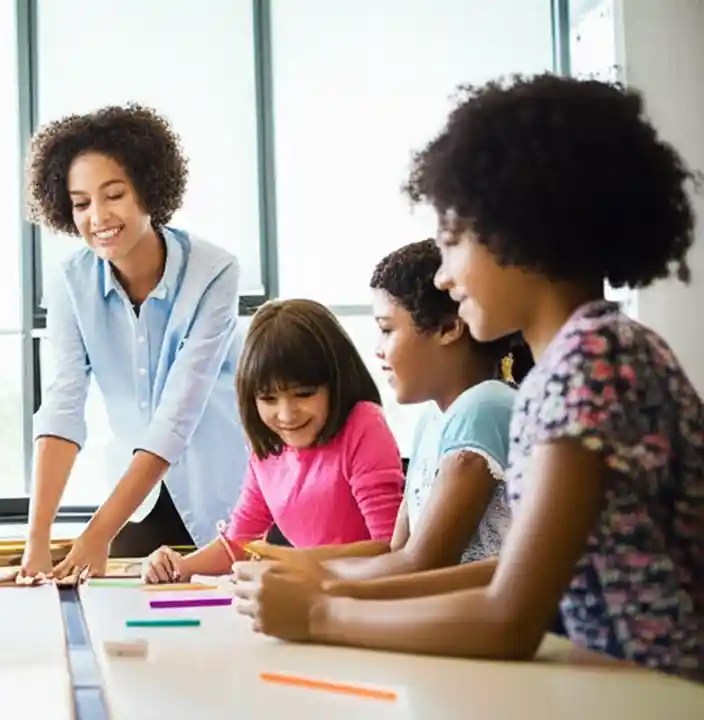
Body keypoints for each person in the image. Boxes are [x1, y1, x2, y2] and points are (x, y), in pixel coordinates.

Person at [235, 74, 703, 681]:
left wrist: (322, 611)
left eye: (452, 244)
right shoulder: (590, 356)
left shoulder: (590, 368)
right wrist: (329, 585)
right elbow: (519, 571)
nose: (444, 280)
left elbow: (509, 617)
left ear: (523, 235)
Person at [22, 103, 248, 577]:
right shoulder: (69, 282)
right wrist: (37, 542)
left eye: (114, 195)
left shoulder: (215, 272)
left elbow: (177, 414)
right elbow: (63, 407)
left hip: (223, 491)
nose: (98, 217)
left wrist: (96, 534)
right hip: (137, 500)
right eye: (81, 203)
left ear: (148, 188)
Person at [236, 240, 524, 587]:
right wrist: (298, 570)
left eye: (387, 329)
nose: (377, 350)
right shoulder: (431, 422)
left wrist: (305, 572)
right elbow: (397, 551)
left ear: (449, 329)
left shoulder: (484, 405)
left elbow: (422, 565)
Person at [145, 299, 405, 582]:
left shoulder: (363, 424)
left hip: (373, 603)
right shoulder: (268, 449)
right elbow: (239, 543)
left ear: (336, 382)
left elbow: (391, 547)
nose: (286, 414)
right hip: (315, 600)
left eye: (304, 394)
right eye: (268, 398)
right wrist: (177, 567)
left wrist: (289, 561)